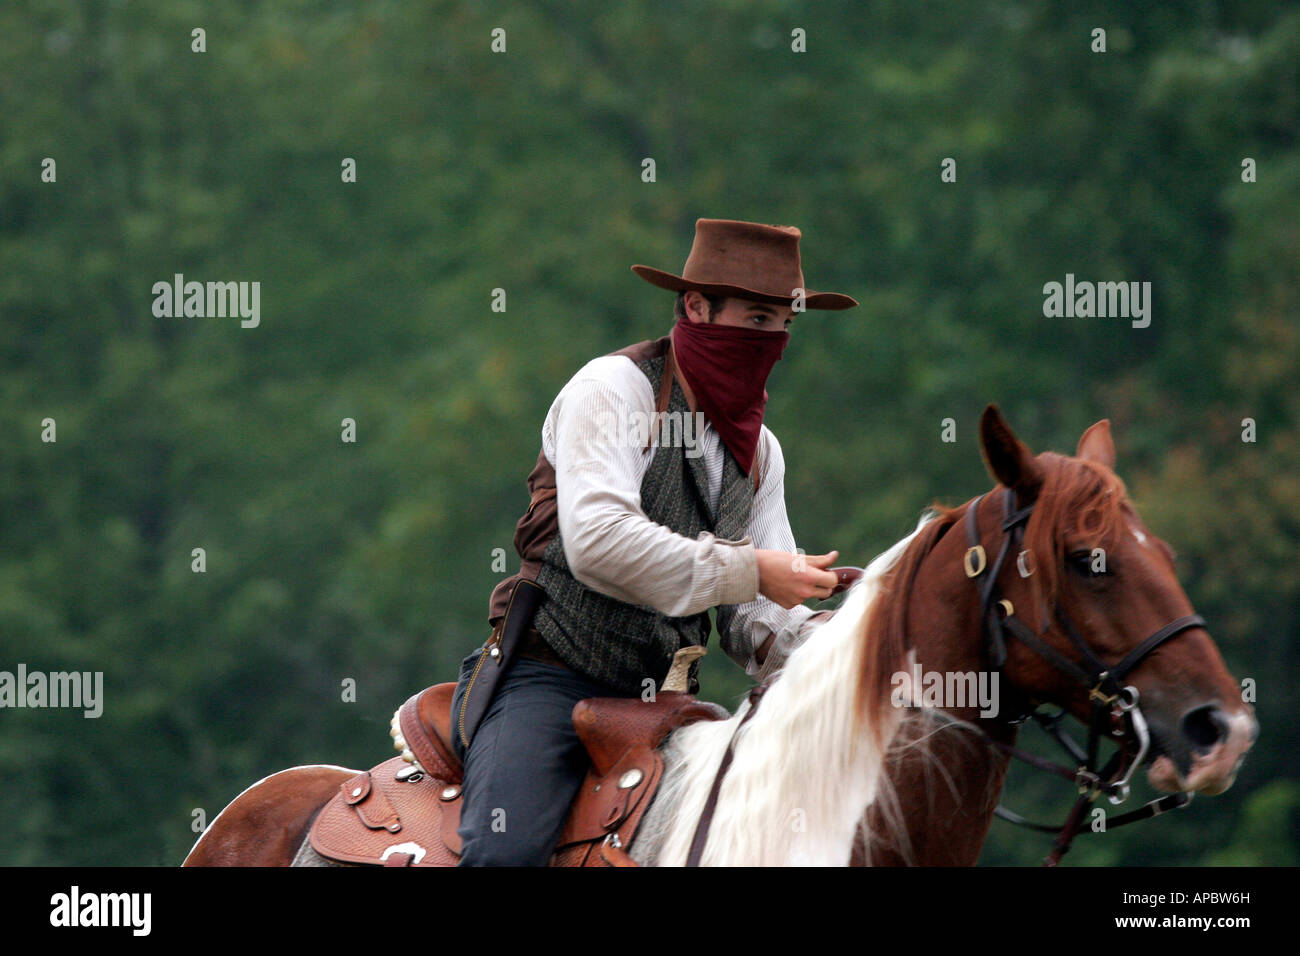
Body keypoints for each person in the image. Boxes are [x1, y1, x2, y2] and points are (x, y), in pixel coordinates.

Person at [449, 218, 859, 865]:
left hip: (667, 705)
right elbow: (600, 544)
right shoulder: (611, 392)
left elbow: (756, 622)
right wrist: (753, 569)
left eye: (785, 324)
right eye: (757, 320)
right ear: (696, 306)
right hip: (547, 679)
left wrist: (851, 634)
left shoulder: (761, 455)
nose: (774, 340)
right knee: (502, 854)